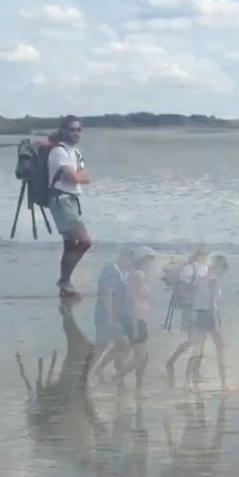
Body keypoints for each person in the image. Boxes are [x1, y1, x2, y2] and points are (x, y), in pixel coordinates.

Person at [47, 115, 92, 298]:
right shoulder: (59, 152)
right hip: (61, 200)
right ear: (63, 131)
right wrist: (79, 177)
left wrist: (79, 176)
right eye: (72, 129)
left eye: (79, 130)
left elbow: (83, 175)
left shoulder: (75, 152)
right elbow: (73, 178)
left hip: (71, 200)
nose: (76, 133)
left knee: (70, 244)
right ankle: (64, 281)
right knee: (84, 241)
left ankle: (65, 284)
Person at [115, 246, 159, 392]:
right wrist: (133, 325)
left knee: (144, 358)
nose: (152, 263)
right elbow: (131, 300)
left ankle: (138, 388)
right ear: (144, 260)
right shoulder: (138, 275)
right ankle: (118, 377)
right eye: (150, 260)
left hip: (140, 319)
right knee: (140, 357)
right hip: (135, 319)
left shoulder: (139, 275)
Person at [89, 248, 134, 385]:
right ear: (123, 257)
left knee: (119, 345)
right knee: (104, 346)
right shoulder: (113, 272)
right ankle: (88, 373)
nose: (130, 265)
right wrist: (109, 317)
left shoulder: (117, 272)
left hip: (113, 316)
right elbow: (106, 294)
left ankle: (117, 376)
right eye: (129, 261)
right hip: (108, 316)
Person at [185, 254, 230, 391]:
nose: (223, 273)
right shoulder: (213, 281)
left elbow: (193, 299)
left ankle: (187, 382)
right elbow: (211, 303)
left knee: (197, 349)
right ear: (218, 267)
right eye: (223, 269)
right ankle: (224, 384)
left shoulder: (200, 279)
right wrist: (215, 321)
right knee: (220, 348)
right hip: (208, 315)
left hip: (199, 313)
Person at [165, 250, 210, 380]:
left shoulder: (203, 268)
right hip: (190, 308)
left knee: (200, 340)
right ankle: (172, 362)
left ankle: (194, 369)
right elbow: (185, 285)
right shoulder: (190, 269)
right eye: (205, 254)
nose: (207, 257)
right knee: (193, 340)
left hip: (200, 308)